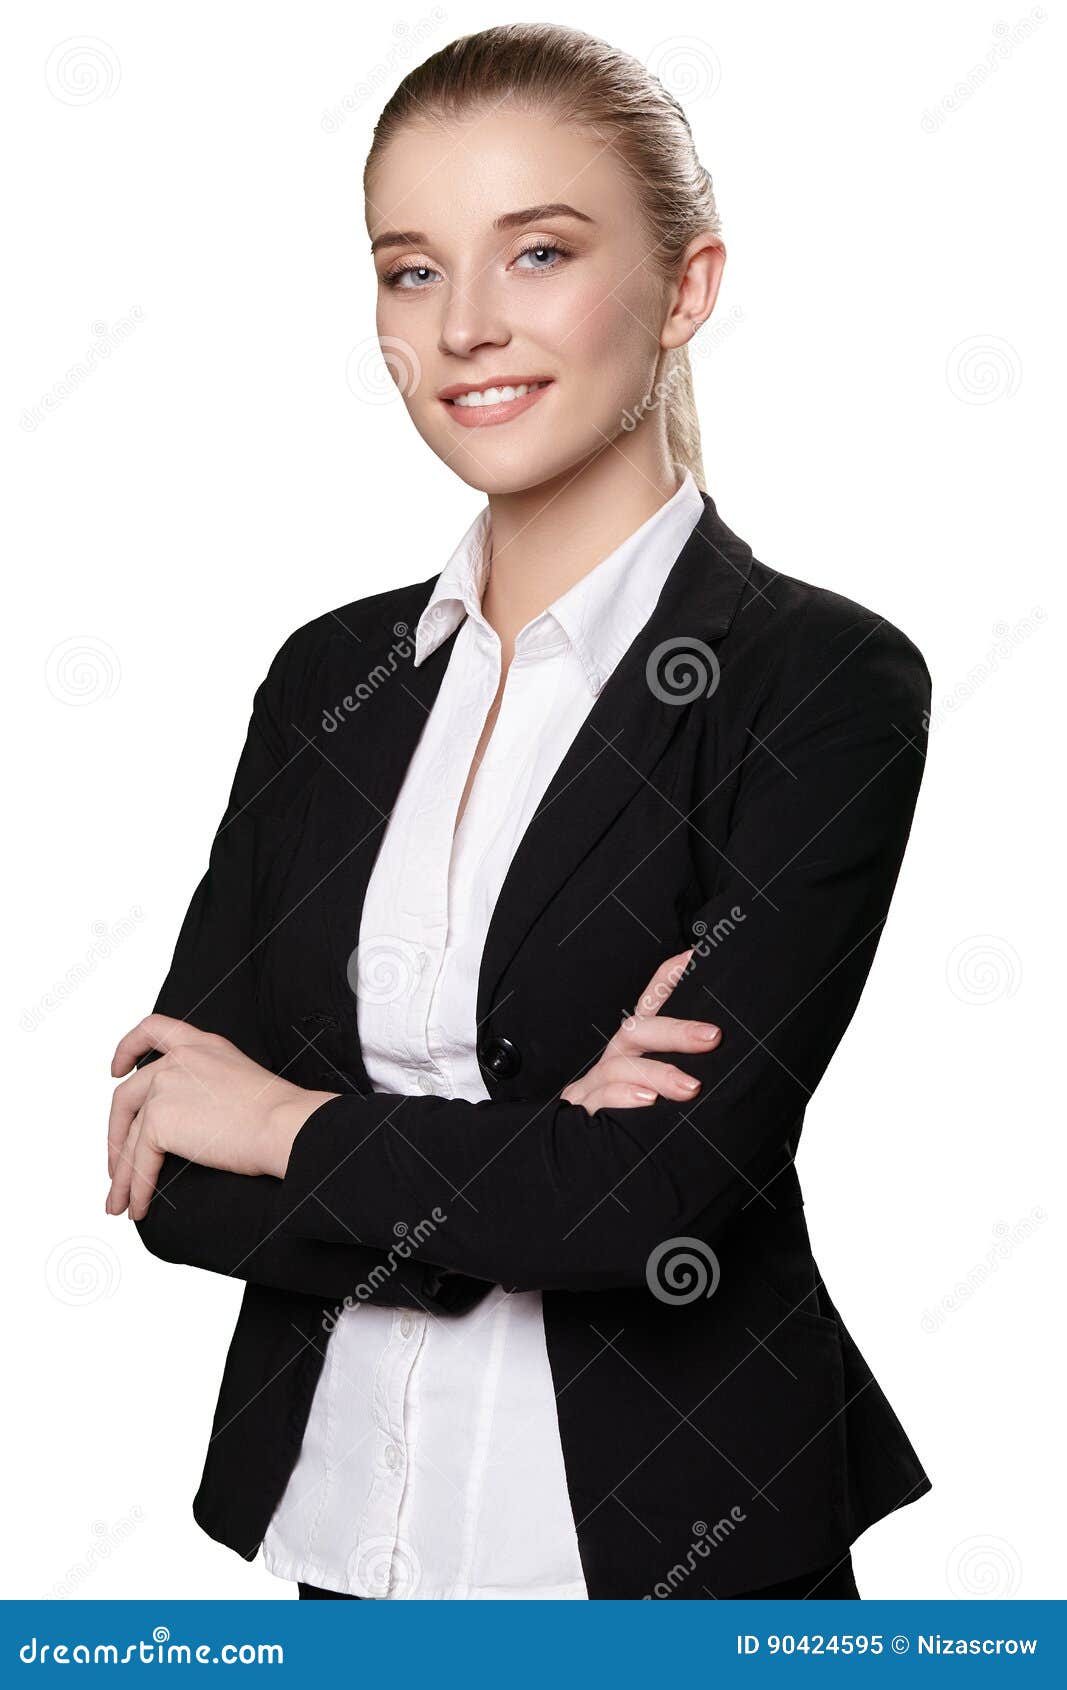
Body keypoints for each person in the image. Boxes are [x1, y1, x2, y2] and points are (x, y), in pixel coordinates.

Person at [107, 23, 933, 1600]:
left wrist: (290, 1126)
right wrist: (538, 1166)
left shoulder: (817, 682)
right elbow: (169, 1165)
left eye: (539, 251)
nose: (468, 326)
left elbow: (662, 1200)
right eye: (411, 270)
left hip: (677, 1555)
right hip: (351, 1543)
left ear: (686, 288)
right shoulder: (328, 679)